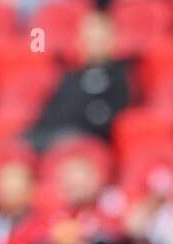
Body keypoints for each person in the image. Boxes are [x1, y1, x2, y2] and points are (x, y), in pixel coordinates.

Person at [27, 11, 131, 150]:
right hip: (51, 137)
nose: (94, 44)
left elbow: (104, 120)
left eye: (100, 39)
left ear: (112, 40)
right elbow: (48, 115)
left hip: (85, 144)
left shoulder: (122, 76)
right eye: (90, 38)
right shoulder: (70, 77)